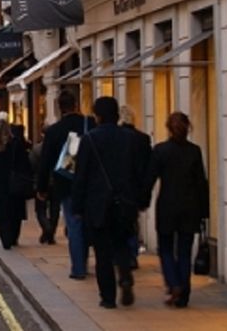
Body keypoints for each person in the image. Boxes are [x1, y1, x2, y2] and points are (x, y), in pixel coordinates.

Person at [70, 96, 149, 309]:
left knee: (102, 253)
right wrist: (141, 199)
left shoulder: (90, 139)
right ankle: (125, 276)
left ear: (99, 115)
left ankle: (108, 297)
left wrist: (77, 206)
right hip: (125, 203)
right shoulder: (130, 139)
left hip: (98, 206)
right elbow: (140, 172)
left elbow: (81, 176)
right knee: (122, 244)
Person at [144, 111, 209, 308]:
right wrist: (205, 211)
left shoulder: (161, 151)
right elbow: (201, 184)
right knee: (184, 251)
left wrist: (142, 199)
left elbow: (149, 178)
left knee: (165, 248)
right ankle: (183, 293)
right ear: (187, 128)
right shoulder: (194, 151)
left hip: (167, 206)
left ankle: (173, 283)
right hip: (190, 207)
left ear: (168, 128)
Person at [36, 89, 96, 277]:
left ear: (59, 108)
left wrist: (42, 188)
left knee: (74, 224)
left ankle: (79, 268)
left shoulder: (54, 131)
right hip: (92, 183)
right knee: (93, 224)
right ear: (76, 105)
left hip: (67, 184)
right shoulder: (90, 124)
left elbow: (45, 162)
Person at [0, 120, 31, 249]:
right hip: (15, 183)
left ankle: (5, 237)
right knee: (15, 212)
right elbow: (25, 164)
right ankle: (14, 237)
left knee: (2, 213)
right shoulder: (16, 144)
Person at [120, 105, 152, 269]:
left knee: (119, 223)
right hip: (136, 188)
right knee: (132, 221)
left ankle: (124, 254)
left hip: (119, 189)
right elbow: (148, 167)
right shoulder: (143, 138)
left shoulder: (117, 138)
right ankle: (132, 253)